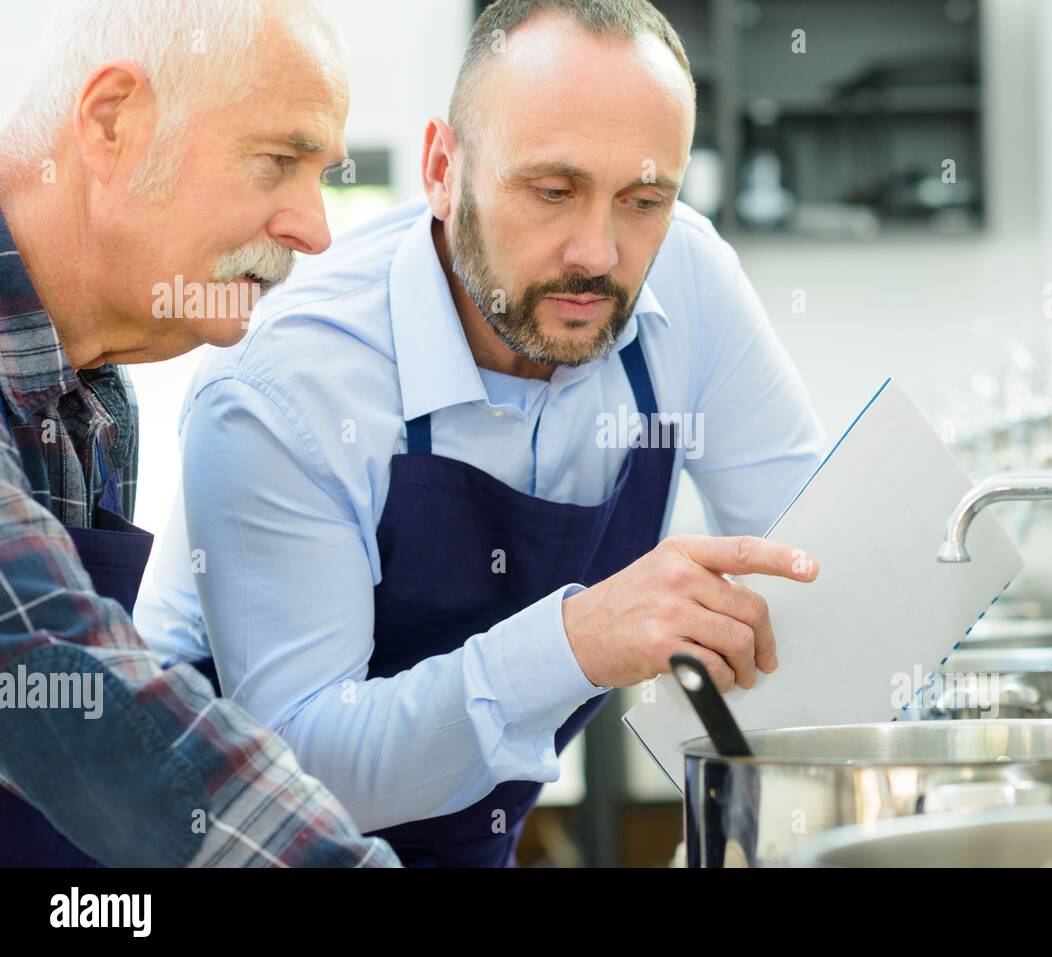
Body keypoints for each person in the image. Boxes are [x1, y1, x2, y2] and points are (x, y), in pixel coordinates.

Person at [135, 0, 825, 867]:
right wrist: (579, 643)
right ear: (442, 169)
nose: (598, 252)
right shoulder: (287, 384)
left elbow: (816, 559)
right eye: (552, 190)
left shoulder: (688, 278)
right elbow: (299, 770)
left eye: (644, 198)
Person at [0, 0, 397, 867]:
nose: (315, 230)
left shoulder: (93, 398)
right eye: (278, 161)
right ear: (112, 122)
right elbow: (70, 697)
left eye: (321, 173)